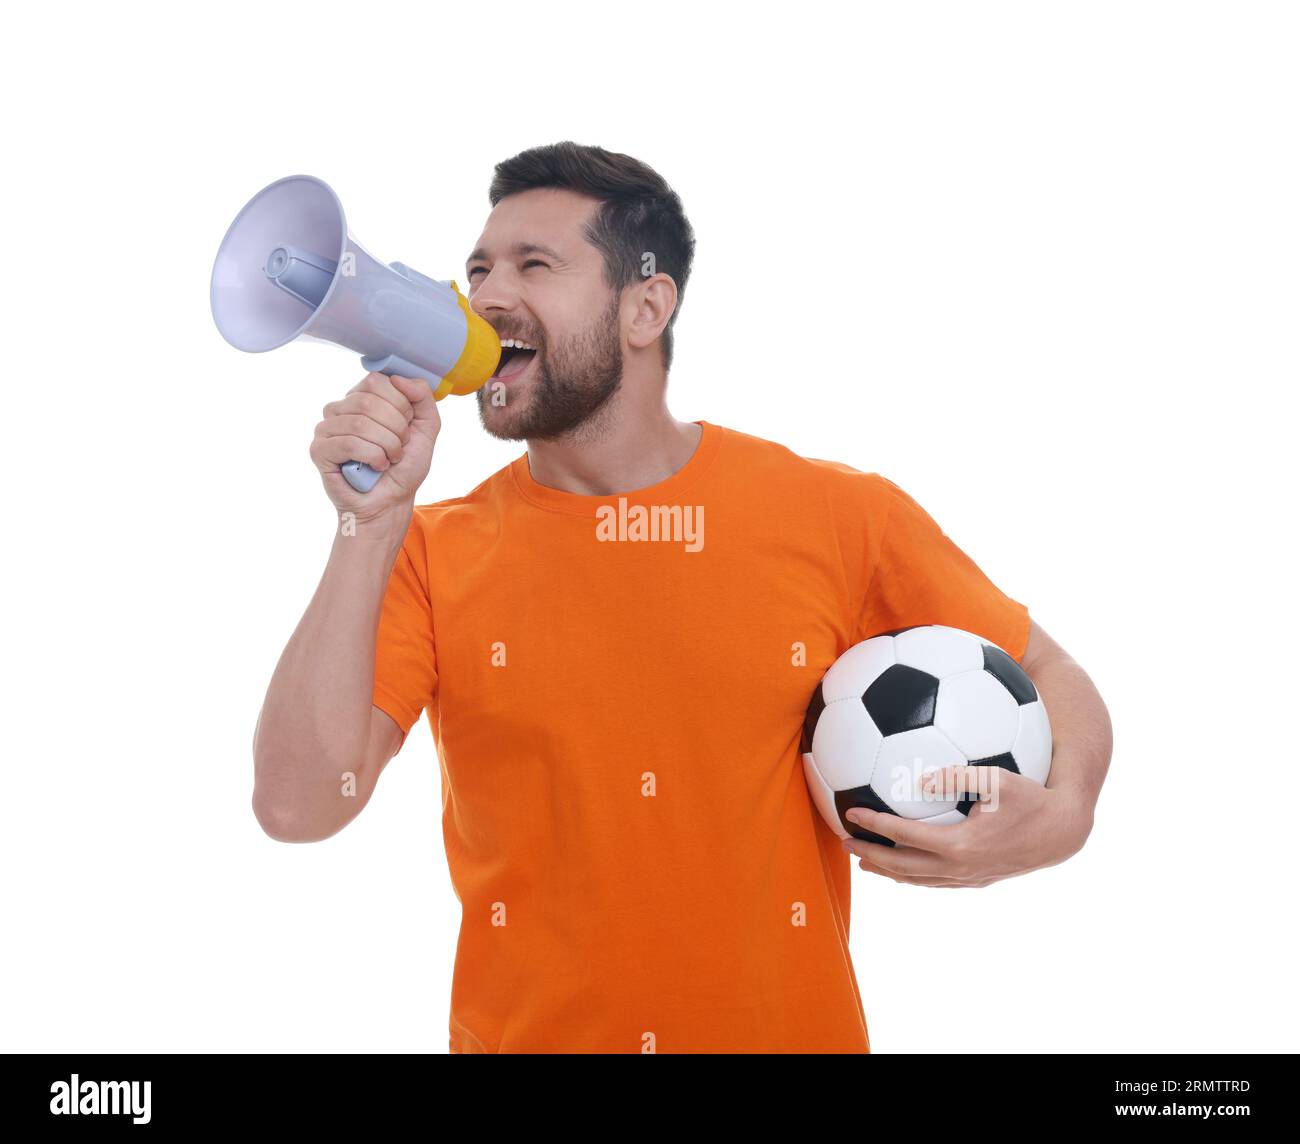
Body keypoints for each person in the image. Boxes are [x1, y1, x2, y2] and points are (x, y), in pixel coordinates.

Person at [251, 141, 1112, 1054]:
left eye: (534, 264)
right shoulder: (425, 551)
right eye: (478, 269)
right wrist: (370, 523)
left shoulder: (834, 513)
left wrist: (1066, 814)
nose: (487, 296)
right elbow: (298, 807)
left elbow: (1047, 667)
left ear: (645, 306)